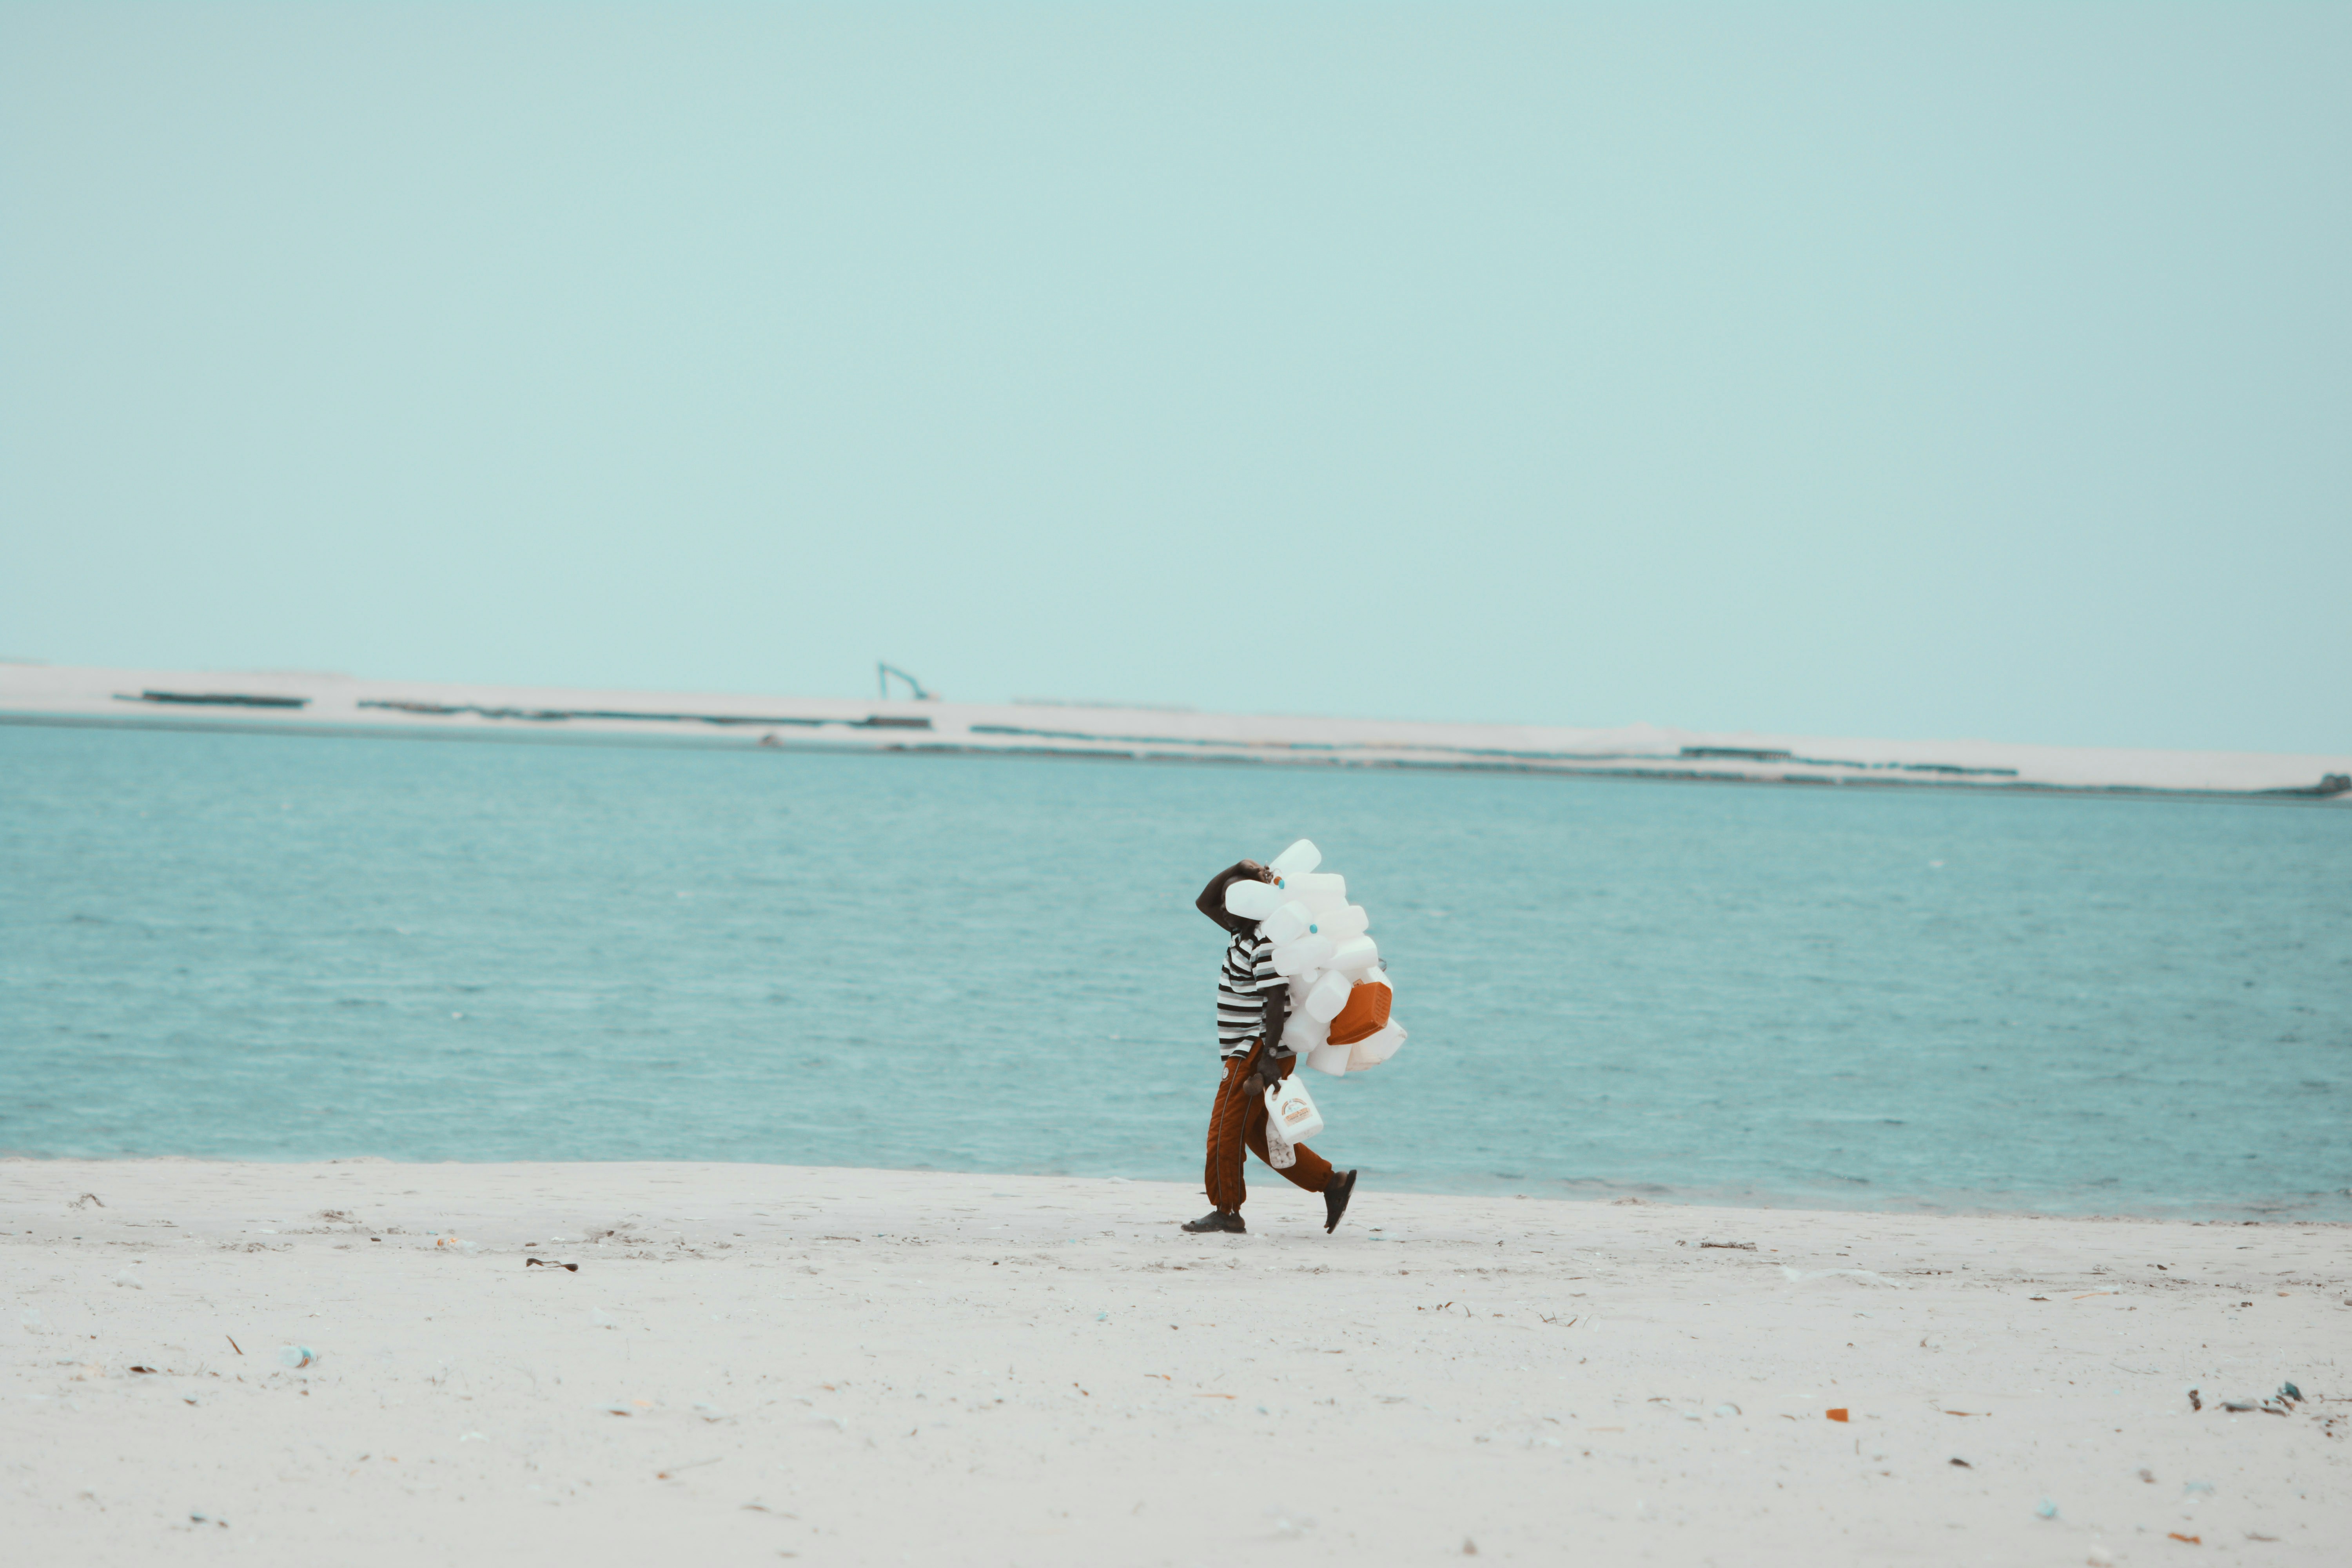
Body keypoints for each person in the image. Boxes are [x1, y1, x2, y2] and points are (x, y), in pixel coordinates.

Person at [1183, 858, 1357, 1235]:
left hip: (1254, 1052)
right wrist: (1240, 867)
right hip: (1254, 1052)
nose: (1226, 906)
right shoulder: (1240, 933)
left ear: (1253, 905)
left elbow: (1276, 1000)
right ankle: (1332, 1184)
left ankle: (1227, 1211)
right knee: (1258, 1135)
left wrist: (1268, 1061)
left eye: (1237, 899)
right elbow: (1204, 902)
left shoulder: (1263, 944)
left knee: (1223, 1132)